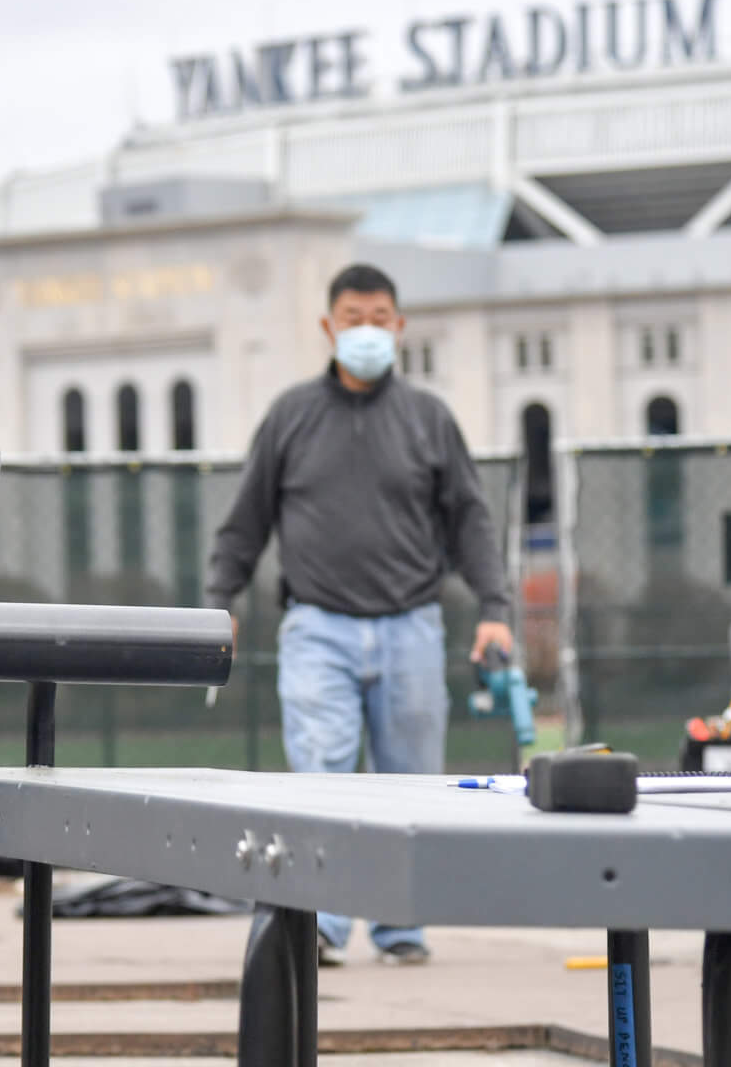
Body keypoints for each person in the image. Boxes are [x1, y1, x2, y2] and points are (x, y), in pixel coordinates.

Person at [206, 262, 514, 967]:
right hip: (317, 627)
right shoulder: (290, 416)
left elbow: (470, 519)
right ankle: (323, 924)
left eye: (380, 319)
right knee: (322, 774)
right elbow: (244, 523)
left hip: (413, 625)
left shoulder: (430, 418)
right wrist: (219, 603)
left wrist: (495, 607)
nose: (367, 331)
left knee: (411, 783)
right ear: (328, 326)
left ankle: (400, 927)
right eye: (354, 318)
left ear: (399, 327)